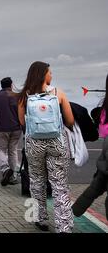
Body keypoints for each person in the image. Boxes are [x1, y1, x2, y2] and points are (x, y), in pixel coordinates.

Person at [18, 61, 75, 233]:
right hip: (57, 142)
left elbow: (22, 122)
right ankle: (63, 226)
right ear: (43, 74)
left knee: (36, 181)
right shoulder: (59, 93)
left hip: (34, 143)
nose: (52, 75)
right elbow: (70, 120)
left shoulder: (24, 97)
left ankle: (39, 218)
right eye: (50, 72)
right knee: (59, 184)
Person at [72, 73, 108, 219]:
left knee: (94, 189)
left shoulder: (105, 106)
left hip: (104, 160)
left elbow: (103, 129)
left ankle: (70, 213)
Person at [0, 77, 22, 186]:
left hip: (1, 128)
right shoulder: (17, 96)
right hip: (16, 128)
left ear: (1, 85)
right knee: (13, 151)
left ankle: (5, 168)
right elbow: (22, 112)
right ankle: (13, 177)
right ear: (11, 85)